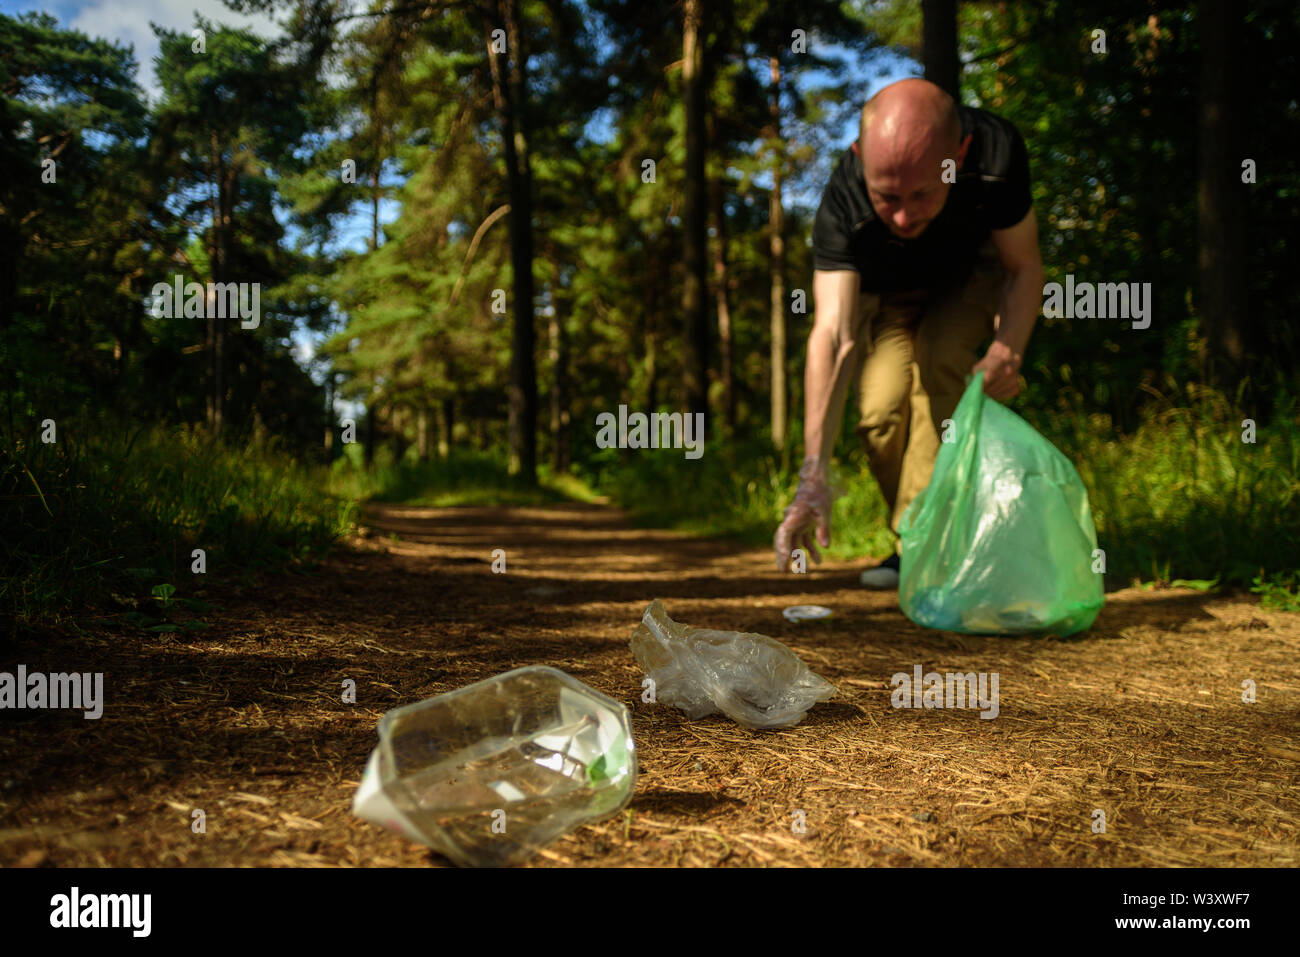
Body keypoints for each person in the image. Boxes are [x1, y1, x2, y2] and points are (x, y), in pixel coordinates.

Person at [773, 77, 1043, 587]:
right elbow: (833, 333)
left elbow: (1023, 265)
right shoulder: (844, 198)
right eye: (886, 196)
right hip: (888, 295)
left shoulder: (995, 153)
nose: (901, 216)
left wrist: (1009, 346)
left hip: (967, 277)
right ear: (859, 156)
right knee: (878, 410)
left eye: (922, 195)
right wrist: (814, 474)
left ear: (958, 155)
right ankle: (921, 537)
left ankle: (922, 543)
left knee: (939, 362)